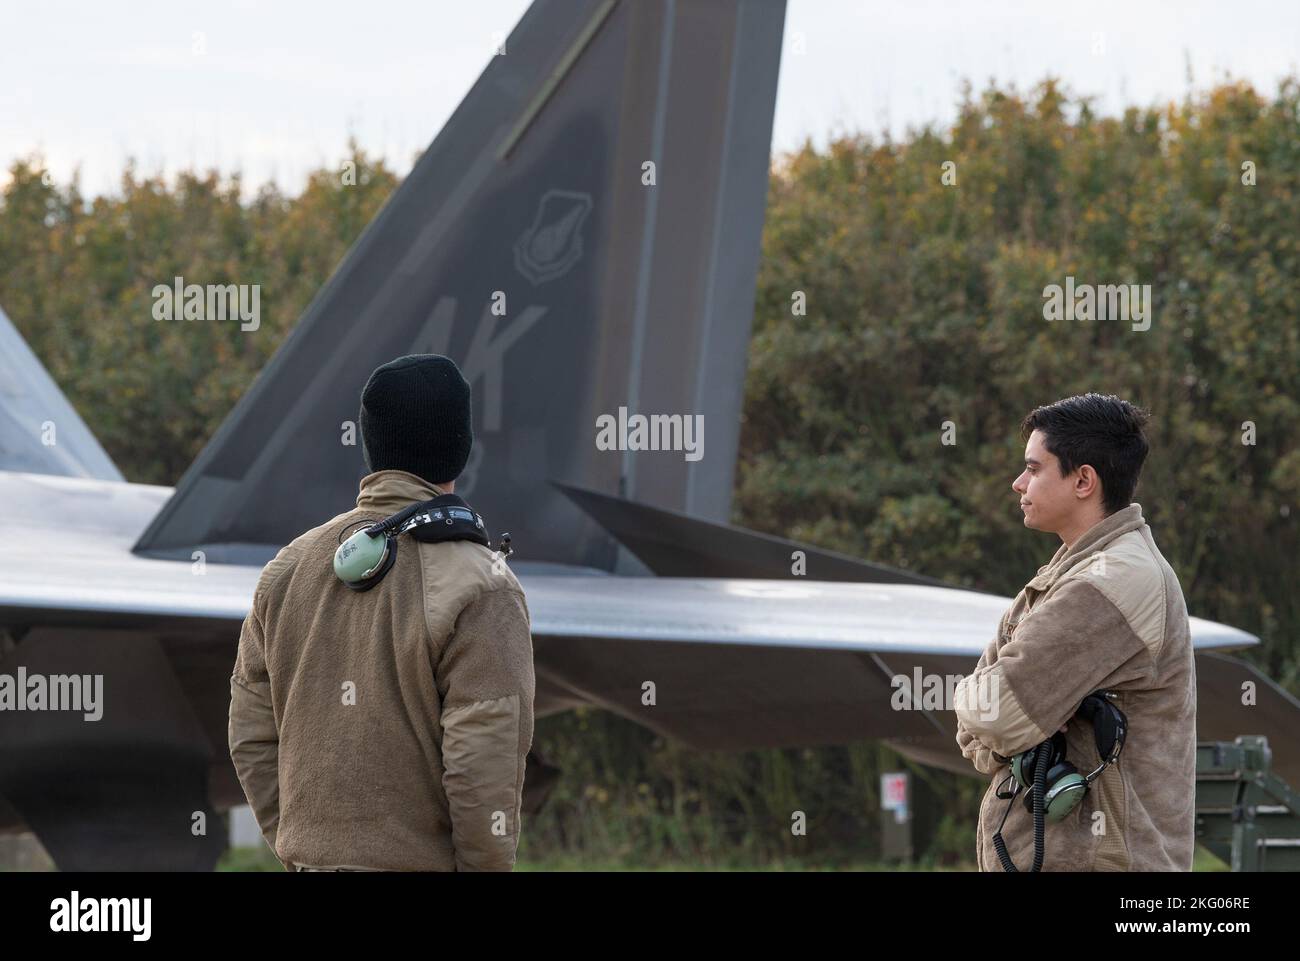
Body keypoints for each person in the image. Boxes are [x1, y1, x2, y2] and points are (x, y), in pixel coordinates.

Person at [228, 354, 535, 871]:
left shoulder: (287, 570)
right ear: (460, 449)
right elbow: (483, 762)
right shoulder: (483, 584)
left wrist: (304, 846)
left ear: (372, 444)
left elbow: (251, 736)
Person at [953, 393, 1196, 871]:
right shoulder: (1069, 574)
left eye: (1034, 468)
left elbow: (994, 709)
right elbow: (976, 724)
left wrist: (1005, 722)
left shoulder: (1112, 581)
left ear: (1083, 480)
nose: (1018, 482)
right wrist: (1010, 722)